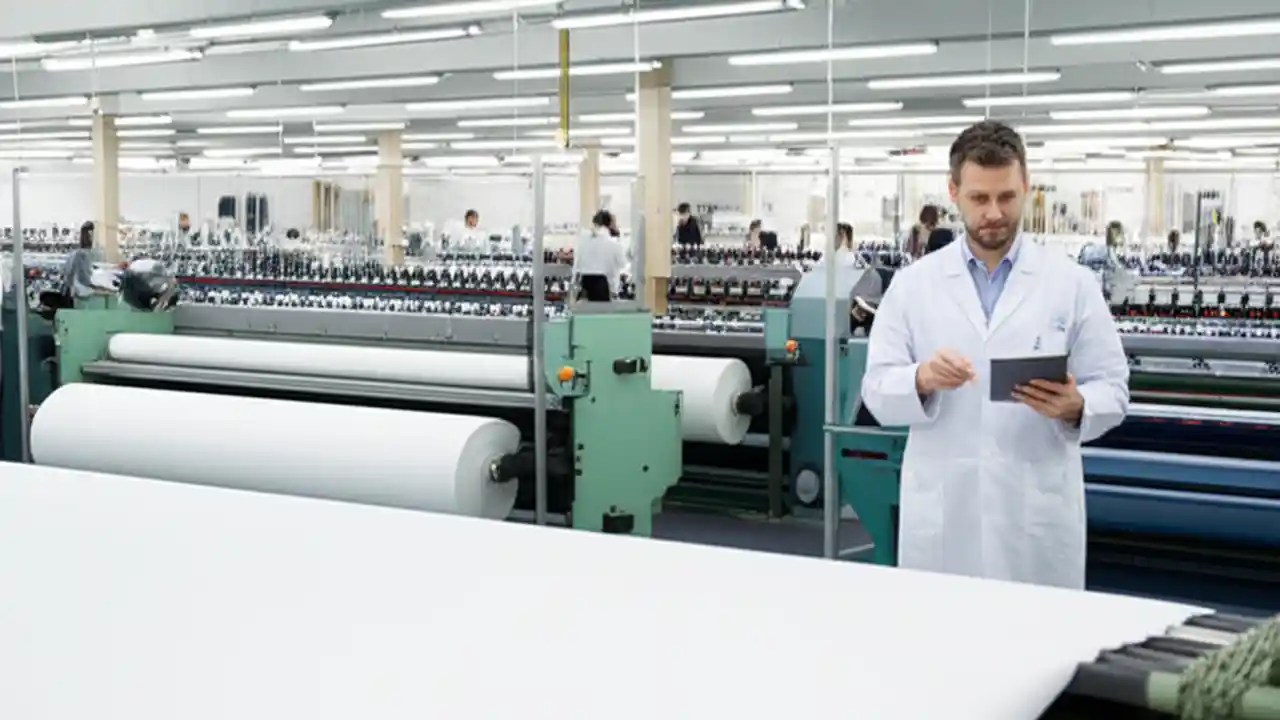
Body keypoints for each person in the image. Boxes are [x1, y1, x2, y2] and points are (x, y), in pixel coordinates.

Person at [860, 120, 1129, 590]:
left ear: (1025, 186)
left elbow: (1114, 388)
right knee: (944, 649)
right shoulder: (913, 286)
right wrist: (920, 379)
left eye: (1006, 197)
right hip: (945, 514)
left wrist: (1077, 406)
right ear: (953, 192)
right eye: (979, 199)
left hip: (1035, 517)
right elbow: (877, 390)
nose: (994, 212)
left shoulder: (1071, 284)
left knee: (1042, 650)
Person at [573, 209, 627, 302]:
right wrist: (619, 237)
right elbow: (623, 263)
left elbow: (577, 265)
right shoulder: (614, 243)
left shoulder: (583, 240)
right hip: (607, 292)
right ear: (610, 224)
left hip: (584, 291)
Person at [59, 221, 108, 301]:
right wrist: (100, 289)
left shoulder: (75, 253)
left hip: (72, 292)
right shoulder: (82, 255)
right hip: (79, 295)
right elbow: (84, 282)